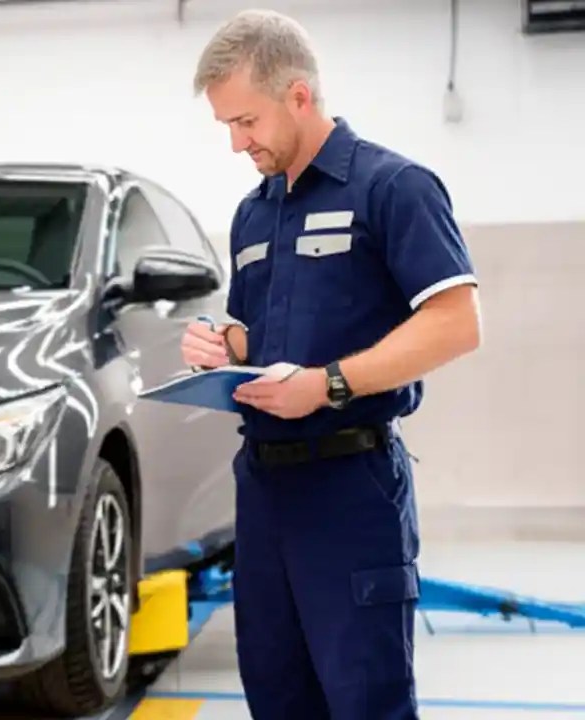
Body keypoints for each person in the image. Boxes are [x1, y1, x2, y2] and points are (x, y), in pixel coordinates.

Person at [184, 9, 482, 720]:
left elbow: (457, 322)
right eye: (226, 125)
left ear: (298, 95)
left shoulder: (393, 188)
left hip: (351, 490)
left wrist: (329, 385)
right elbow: (266, 339)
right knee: (277, 694)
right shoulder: (254, 214)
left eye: (246, 122)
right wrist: (221, 347)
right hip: (263, 492)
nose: (235, 143)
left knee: (364, 701)